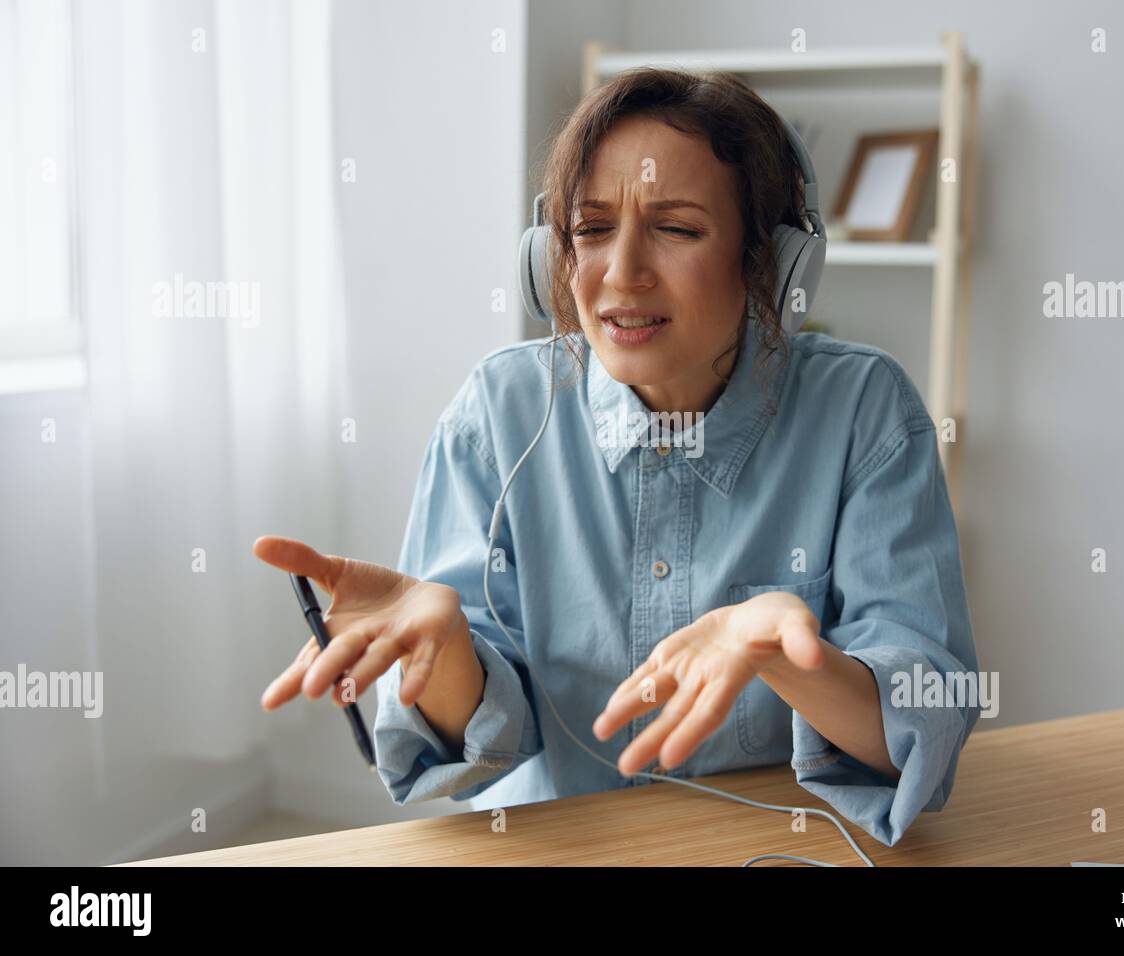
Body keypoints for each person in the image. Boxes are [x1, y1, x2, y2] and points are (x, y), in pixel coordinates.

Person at [253, 67, 979, 849]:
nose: (621, 275)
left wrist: (788, 658)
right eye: (591, 229)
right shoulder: (497, 414)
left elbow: (927, 717)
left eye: (677, 229)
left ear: (771, 262)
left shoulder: (867, 412)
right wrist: (449, 650)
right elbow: (464, 750)